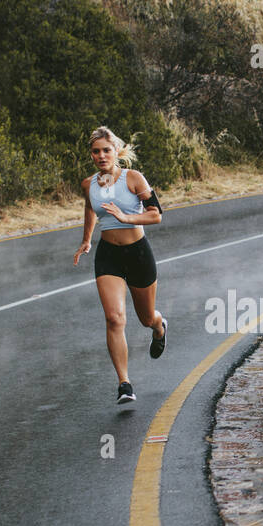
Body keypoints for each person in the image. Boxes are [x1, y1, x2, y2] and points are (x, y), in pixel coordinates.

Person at [72, 126, 167, 404]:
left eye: (106, 150)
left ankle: (160, 327)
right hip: (109, 255)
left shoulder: (133, 178)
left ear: (116, 151)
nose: (101, 155)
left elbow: (156, 215)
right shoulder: (89, 184)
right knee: (114, 318)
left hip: (138, 253)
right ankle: (124, 384)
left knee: (146, 318)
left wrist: (126, 218)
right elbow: (91, 207)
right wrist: (87, 239)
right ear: (91, 154)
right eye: (95, 151)